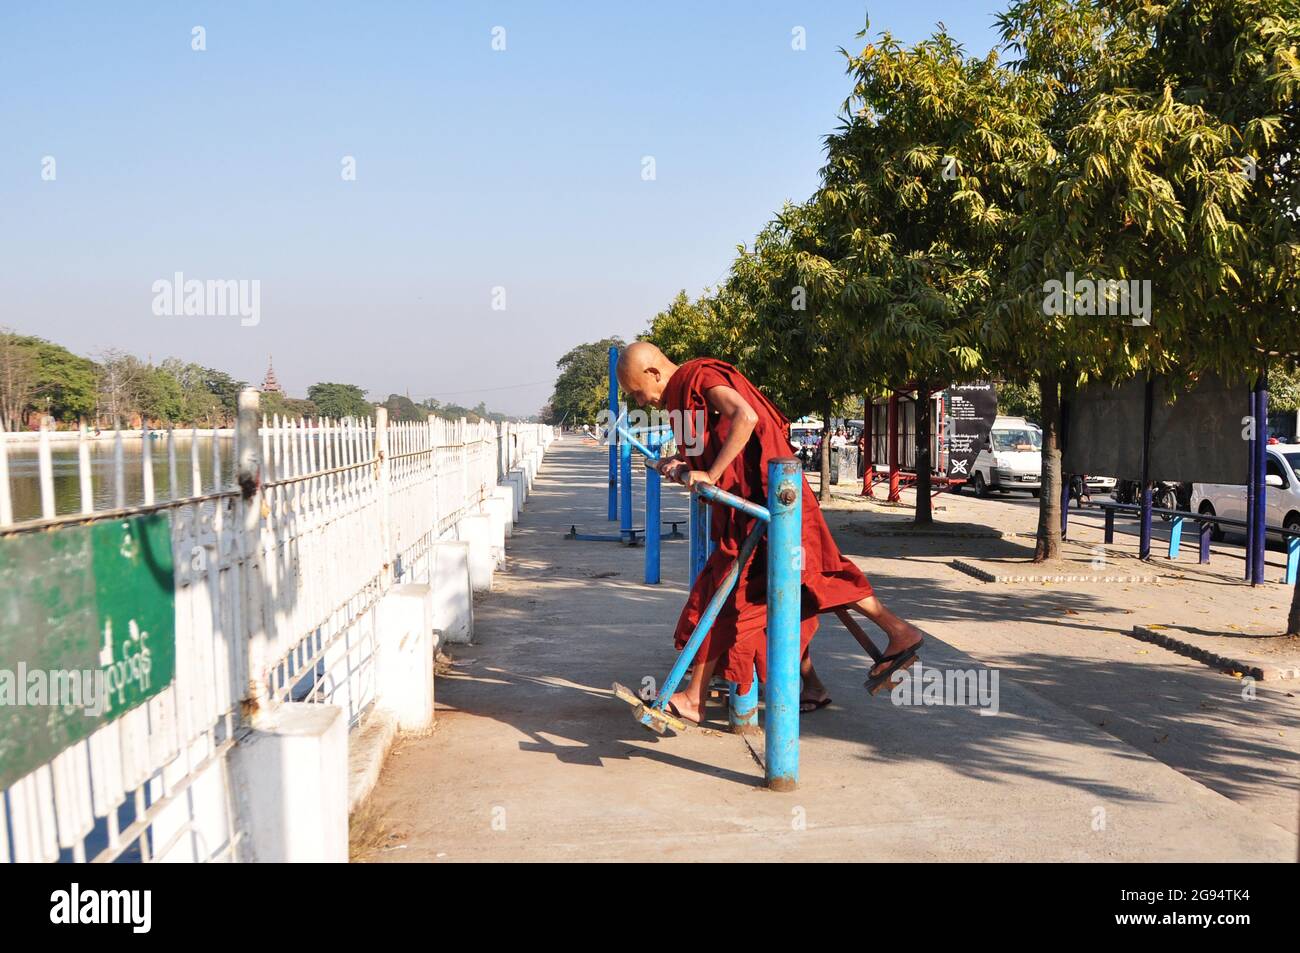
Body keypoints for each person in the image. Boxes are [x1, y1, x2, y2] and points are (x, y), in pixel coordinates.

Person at [616, 342, 926, 724]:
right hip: (750, 509)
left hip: (773, 499)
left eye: (635, 392)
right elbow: (713, 444)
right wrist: (682, 464)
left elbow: (744, 417)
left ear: (653, 373)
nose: (640, 402)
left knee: (774, 586)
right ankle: (816, 681)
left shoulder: (698, 377)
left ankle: (694, 698)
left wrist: (709, 476)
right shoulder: (682, 393)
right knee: (785, 596)